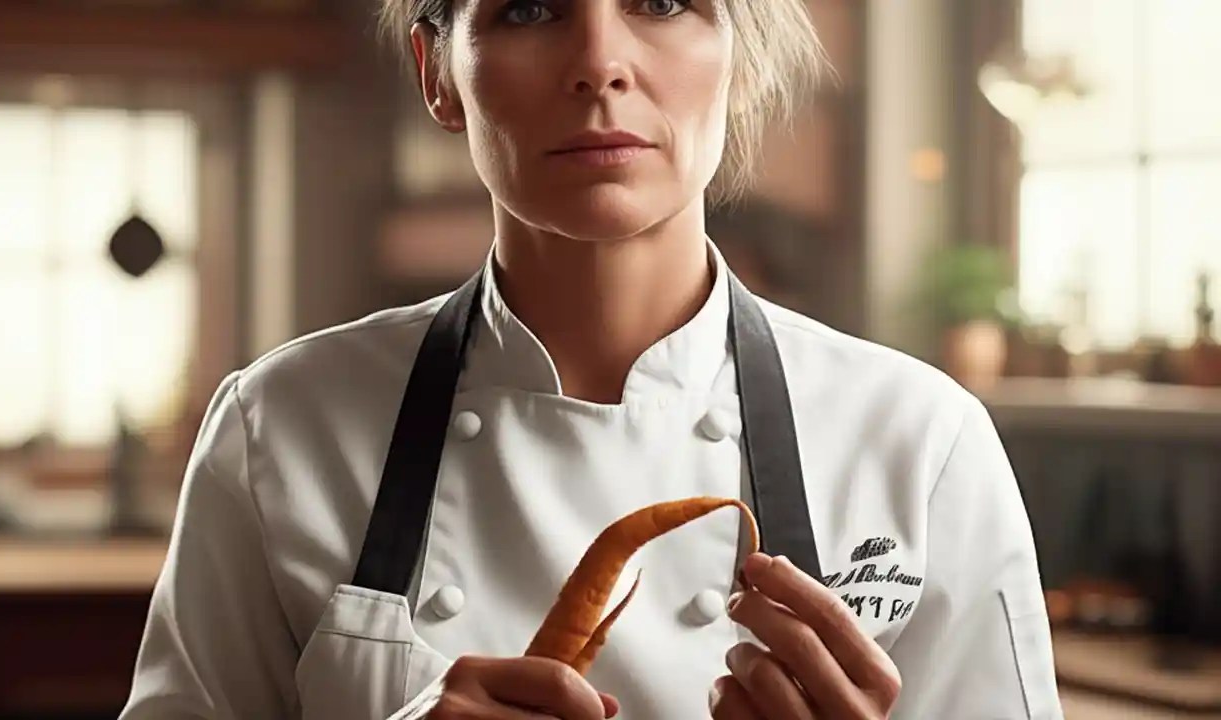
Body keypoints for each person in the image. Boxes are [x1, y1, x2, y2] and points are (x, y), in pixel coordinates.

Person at [119, 0, 1062, 718]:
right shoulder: (275, 425)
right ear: (438, 75)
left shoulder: (920, 439)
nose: (601, 61)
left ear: (737, 56)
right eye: (529, 7)